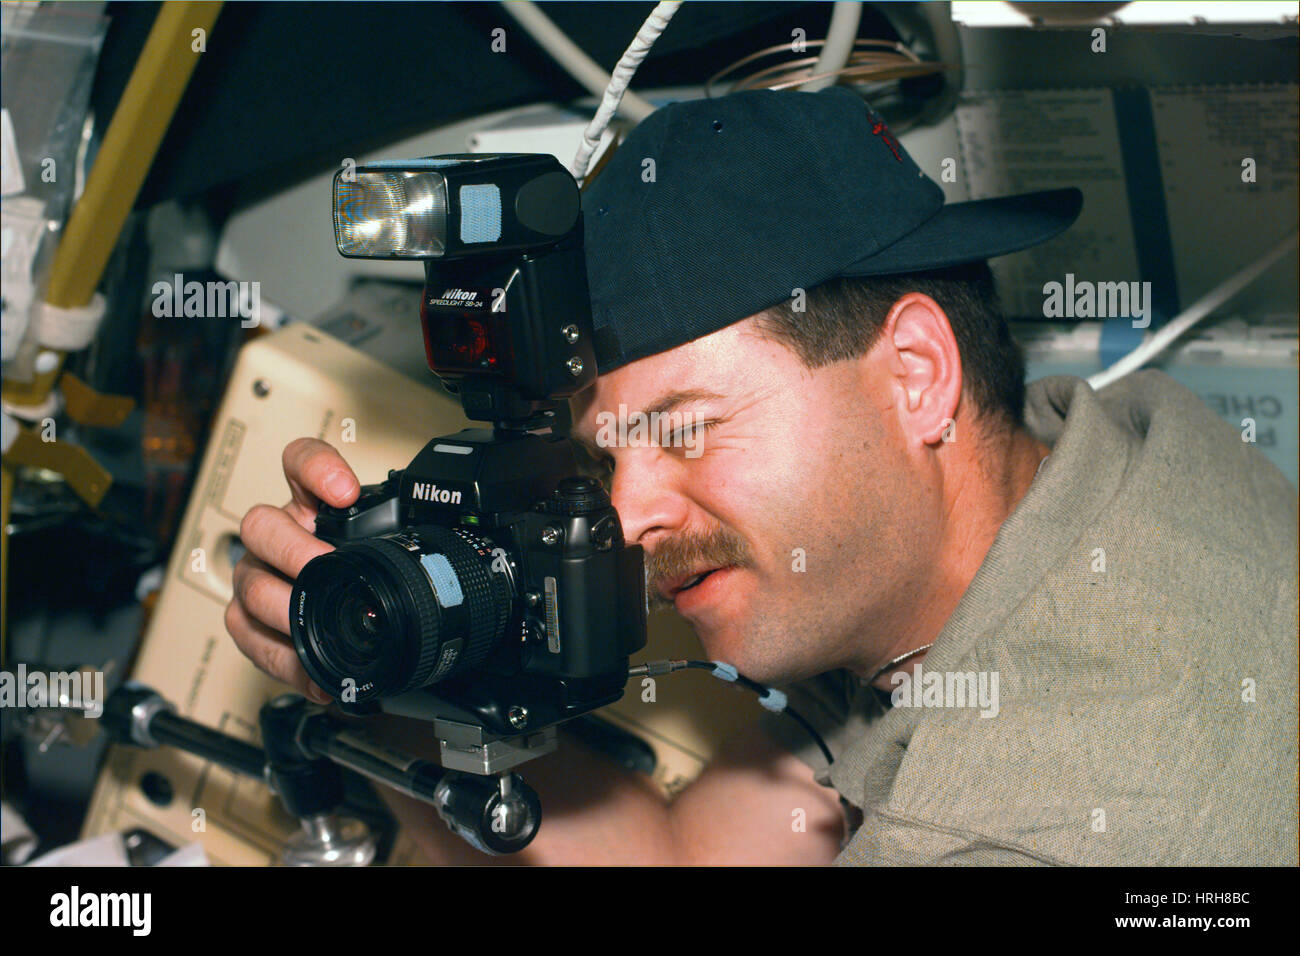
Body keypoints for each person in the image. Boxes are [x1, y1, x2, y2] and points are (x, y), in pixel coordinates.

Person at [225, 87, 1298, 864]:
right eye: (606, 454)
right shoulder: (1102, 468)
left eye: (686, 429)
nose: (628, 512)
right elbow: (690, 858)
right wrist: (404, 657)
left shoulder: (1003, 830)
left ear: (917, 376)